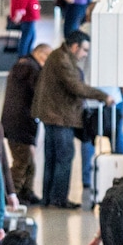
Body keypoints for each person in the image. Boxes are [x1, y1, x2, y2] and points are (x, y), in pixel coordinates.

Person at [33, 29, 110, 210]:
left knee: (52, 158)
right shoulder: (62, 60)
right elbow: (76, 87)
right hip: (60, 117)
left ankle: (49, 198)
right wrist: (102, 96)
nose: (85, 55)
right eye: (84, 50)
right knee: (64, 157)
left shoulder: (58, 56)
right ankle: (58, 199)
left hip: (53, 115)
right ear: (74, 47)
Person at [1, 45, 44, 205]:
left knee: (28, 160)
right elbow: (39, 93)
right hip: (20, 124)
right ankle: (12, 193)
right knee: (22, 161)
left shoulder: (22, 67)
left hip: (17, 123)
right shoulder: (31, 70)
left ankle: (27, 191)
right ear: (40, 54)